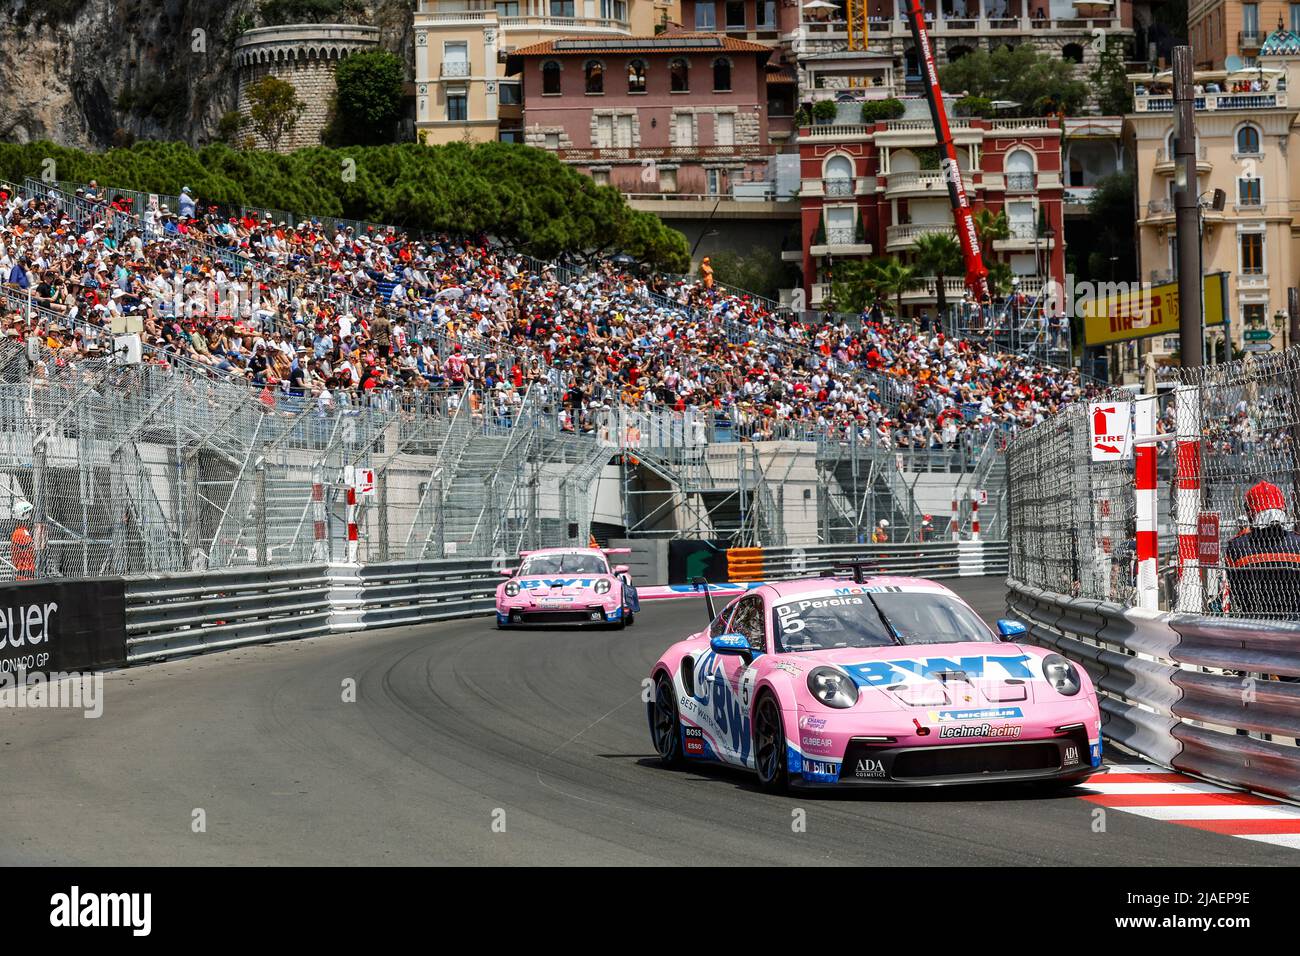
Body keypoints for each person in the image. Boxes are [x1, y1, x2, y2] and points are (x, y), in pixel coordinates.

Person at [1225, 481, 1300, 618]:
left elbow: (1236, 589)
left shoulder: (1236, 547)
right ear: (1283, 509)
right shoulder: (1297, 544)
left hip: (1254, 620)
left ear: (1250, 513)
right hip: (1293, 621)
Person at [10, 501, 34, 581]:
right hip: (24, 576)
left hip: (28, 574)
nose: (31, 518)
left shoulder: (23, 531)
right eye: (29, 514)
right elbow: (33, 551)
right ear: (23, 515)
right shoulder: (20, 532)